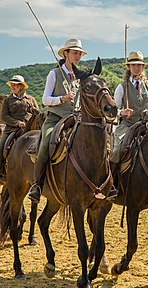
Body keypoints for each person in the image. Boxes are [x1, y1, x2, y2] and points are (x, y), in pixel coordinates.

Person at [27, 38, 87, 203]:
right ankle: (37, 185)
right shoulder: (54, 74)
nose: (78, 56)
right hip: (55, 118)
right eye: (75, 53)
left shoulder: (79, 76)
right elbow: (45, 100)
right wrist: (62, 98)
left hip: (75, 118)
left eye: (79, 53)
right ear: (66, 54)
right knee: (46, 142)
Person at [110, 51, 148, 163]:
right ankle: (113, 176)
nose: (136, 68)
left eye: (139, 65)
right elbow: (114, 110)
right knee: (118, 150)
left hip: (147, 124)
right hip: (128, 125)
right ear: (128, 67)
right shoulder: (121, 87)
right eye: (133, 65)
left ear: (143, 67)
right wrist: (121, 113)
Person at [0, 75, 39, 184]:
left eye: (15, 84)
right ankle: (1, 173)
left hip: (30, 127)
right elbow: (4, 116)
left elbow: (38, 113)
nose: (12, 86)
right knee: (0, 146)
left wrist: (35, 111)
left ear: (21, 86)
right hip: (11, 129)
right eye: (12, 84)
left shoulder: (31, 99)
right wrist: (17, 123)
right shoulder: (7, 100)